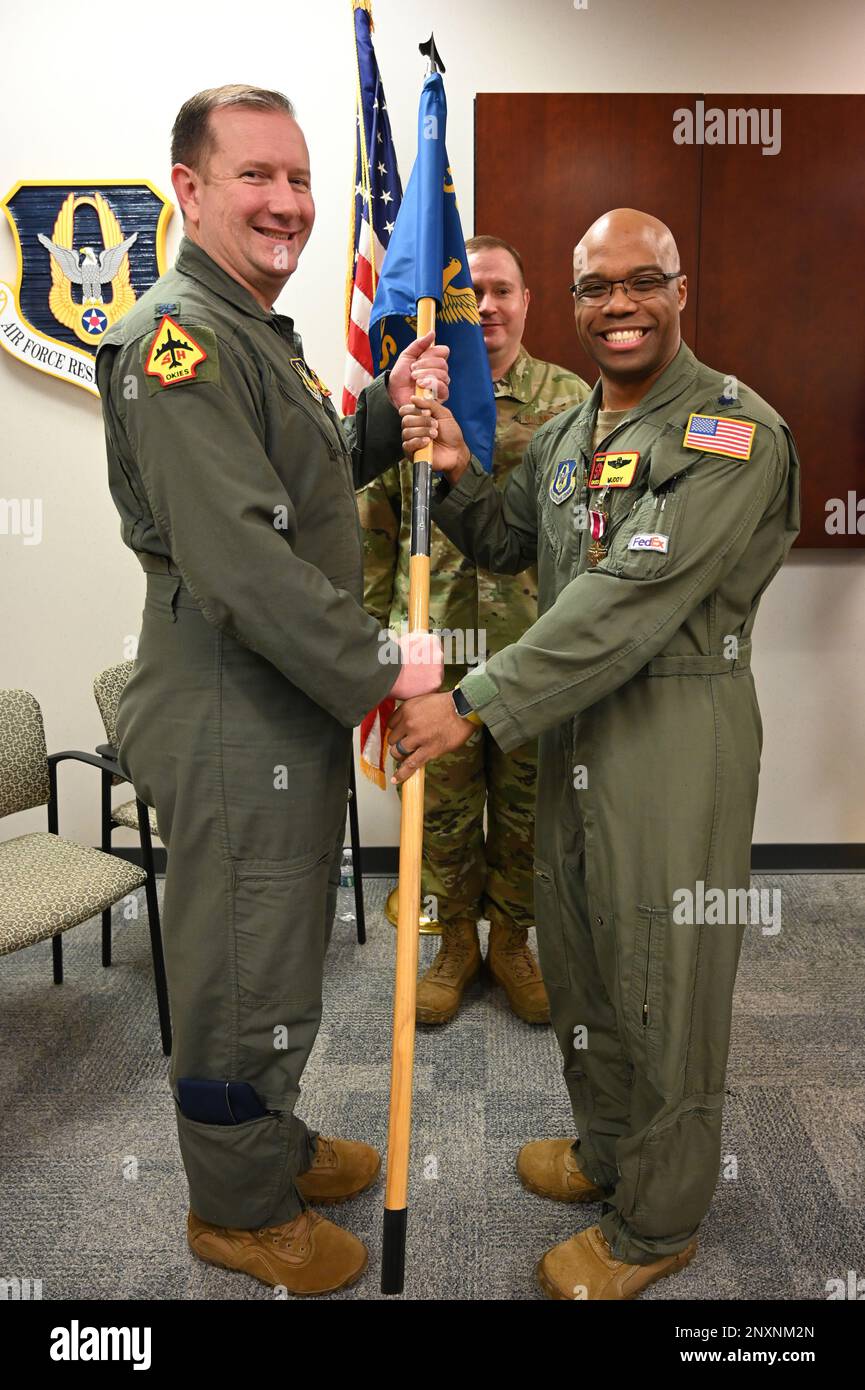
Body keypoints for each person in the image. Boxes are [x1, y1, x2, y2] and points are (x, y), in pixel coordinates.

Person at [388, 208, 800, 1299]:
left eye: (639, 283)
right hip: (571, 728)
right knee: (578, 950)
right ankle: (611, 1150)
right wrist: (457, 469)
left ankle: (656, 1221)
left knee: (661, 973)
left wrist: (470, 702)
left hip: (672, 736)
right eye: (594, 288)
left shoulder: (729, 432)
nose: (615, 306)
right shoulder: (574, 435)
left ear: (678, 291)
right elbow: (516, 543)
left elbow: (626, 602)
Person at [96, 84, 447, 1298]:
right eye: (256, 176)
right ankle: (236, 1210)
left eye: (299, 178)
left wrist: (382, 427)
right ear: (189, 190)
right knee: (240, 965)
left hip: (273, 706)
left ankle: (271, 1139)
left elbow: (291, 475)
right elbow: (246, 561)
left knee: (277, 950)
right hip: (233, 707)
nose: (289, 202)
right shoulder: (178, 340)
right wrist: (384, 675)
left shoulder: (251, 333)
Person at [357, 235, 589, 1025]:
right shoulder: (419, 401)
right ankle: (455, 944)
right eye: (471, 295)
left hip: (531, 646)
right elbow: (375, 524)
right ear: (452, 309)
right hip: (434, 649)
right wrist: (367, 643)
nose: (487, 306)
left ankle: (512, 945)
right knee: (443, 814)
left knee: (527, 811)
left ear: (527, 301)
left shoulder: (570, 401)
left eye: (502, 291)